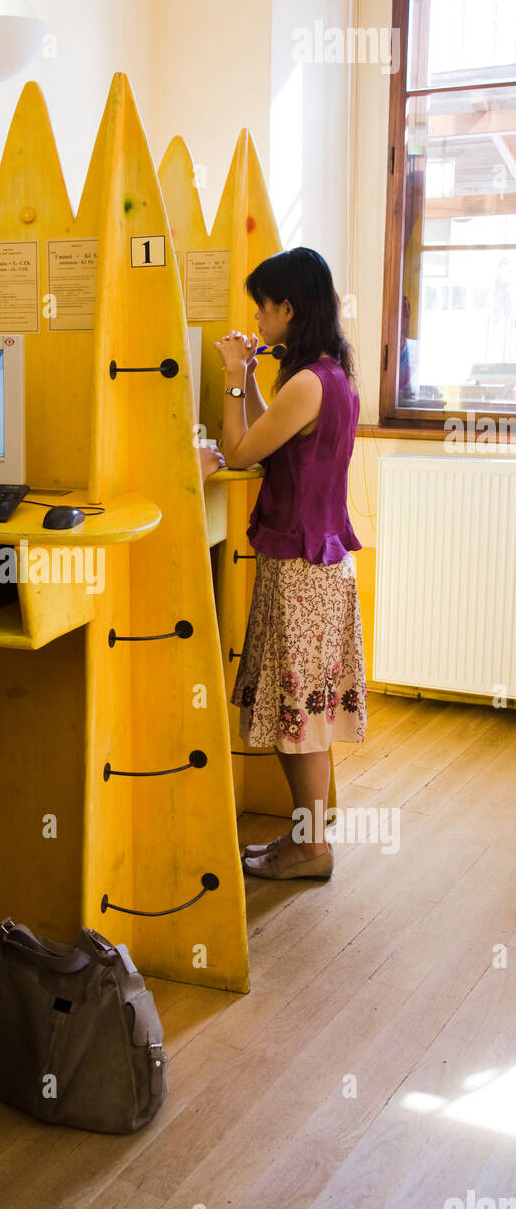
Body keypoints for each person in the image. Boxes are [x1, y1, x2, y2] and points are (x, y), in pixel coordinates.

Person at [199, 246, 366, 882]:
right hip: (318, 565)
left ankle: (309, 848)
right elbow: (273, 441)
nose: (258, 322)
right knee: (305, 717)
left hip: (302, 570)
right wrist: (251, 383)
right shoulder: (330, 375)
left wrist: (235, 374)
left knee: (300, 724)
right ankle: (305, 842)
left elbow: (241, 450)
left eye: (262, 309)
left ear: (288, 308)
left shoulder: (305, 383)